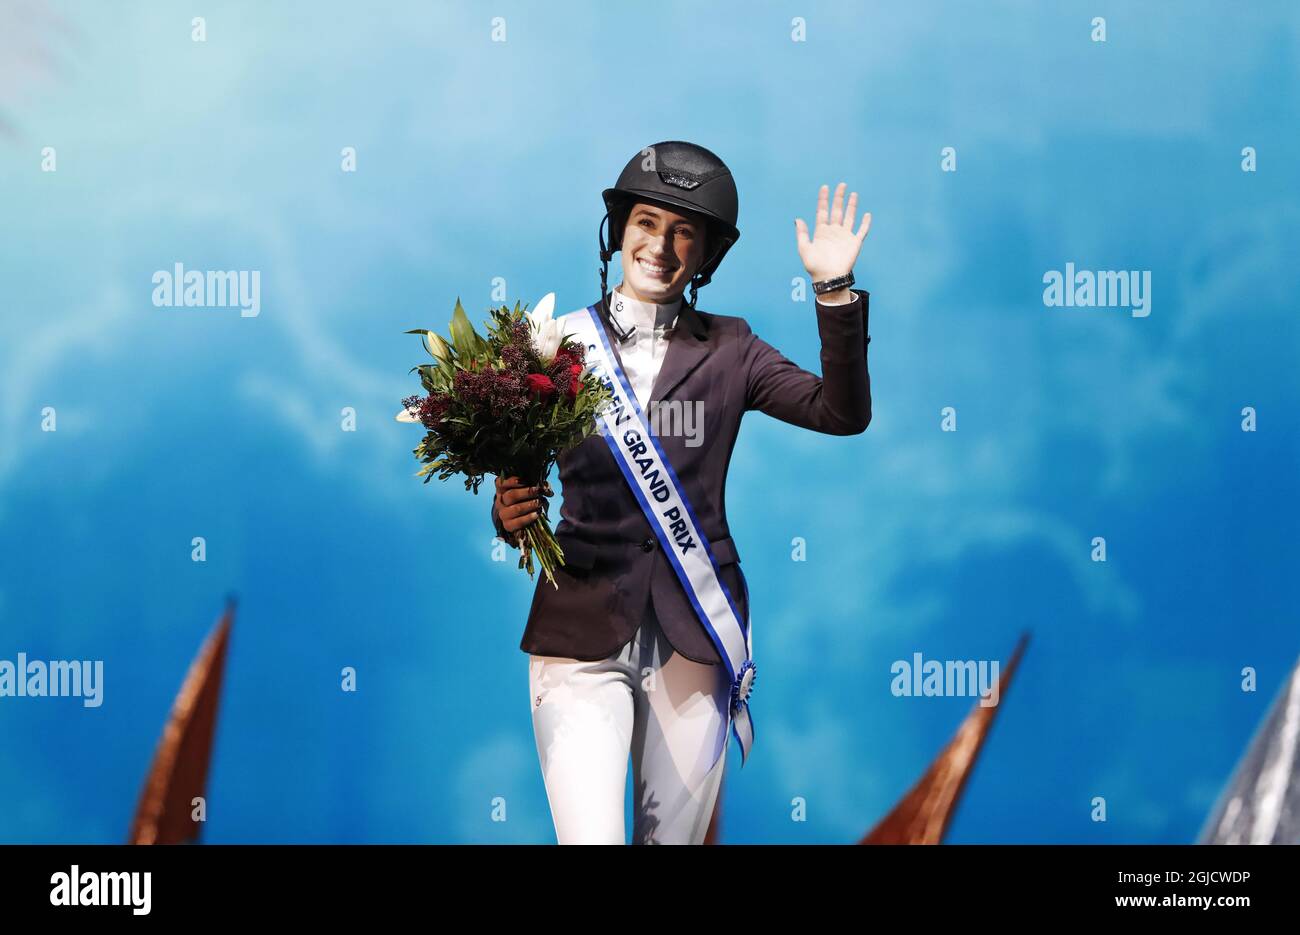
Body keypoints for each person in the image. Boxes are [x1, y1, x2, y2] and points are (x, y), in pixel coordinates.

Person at [493, 141, 873, 844]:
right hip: (579, 629)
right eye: (645, 222)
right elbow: (518, 491)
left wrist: (835, 291)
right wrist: (510, 511)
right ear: (618, 232)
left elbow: (840, 414)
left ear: (705, 256)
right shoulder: (555, 344)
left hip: (694, 637)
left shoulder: (735, 348)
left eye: (683, 232)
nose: (660, 246)